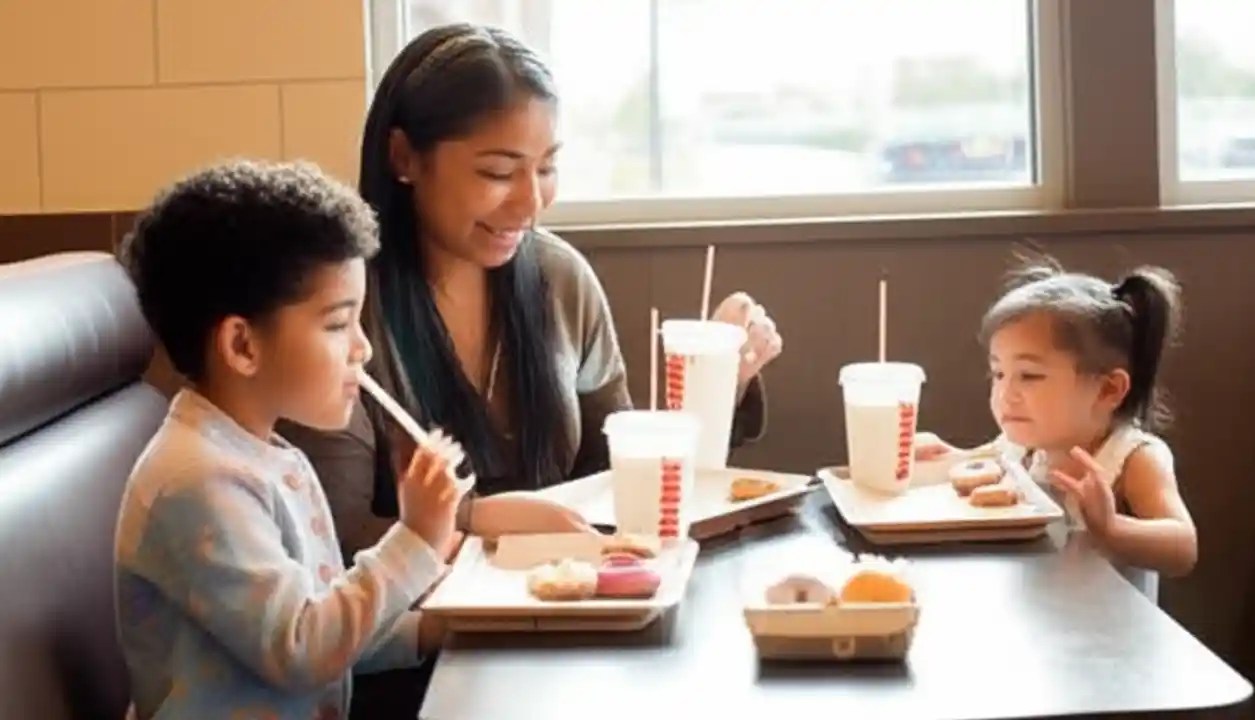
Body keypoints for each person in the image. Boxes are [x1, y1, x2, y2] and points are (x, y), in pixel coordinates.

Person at [280, 22, 783, 566]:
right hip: (418, 639)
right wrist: (475, 520)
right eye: (498, 172)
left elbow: (611, 480)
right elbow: (341, 537)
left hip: (571, 605)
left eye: (546, 168)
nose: (531, 205)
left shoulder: (561, 280)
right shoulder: (345, 311)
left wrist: (717, 391)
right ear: (404, 157)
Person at [114, 160, 462, 719]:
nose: (363, 349)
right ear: (242, 346)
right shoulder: (198, 481)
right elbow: (303, 648)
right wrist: (415, 541)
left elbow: (326, 624)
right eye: (337, 324)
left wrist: (439, 629)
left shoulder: (269, 456)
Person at [919, 257, 1198, 595]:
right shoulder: (1021, 445)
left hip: (1111, 638)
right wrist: (946, 457)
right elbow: (979, 464)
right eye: (999, 374)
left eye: (1030, 376)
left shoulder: (1132, 458)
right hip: (1037, 623)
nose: (1006, 394)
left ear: (1109, 389)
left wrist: (1111, 528)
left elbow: (1183, 548)